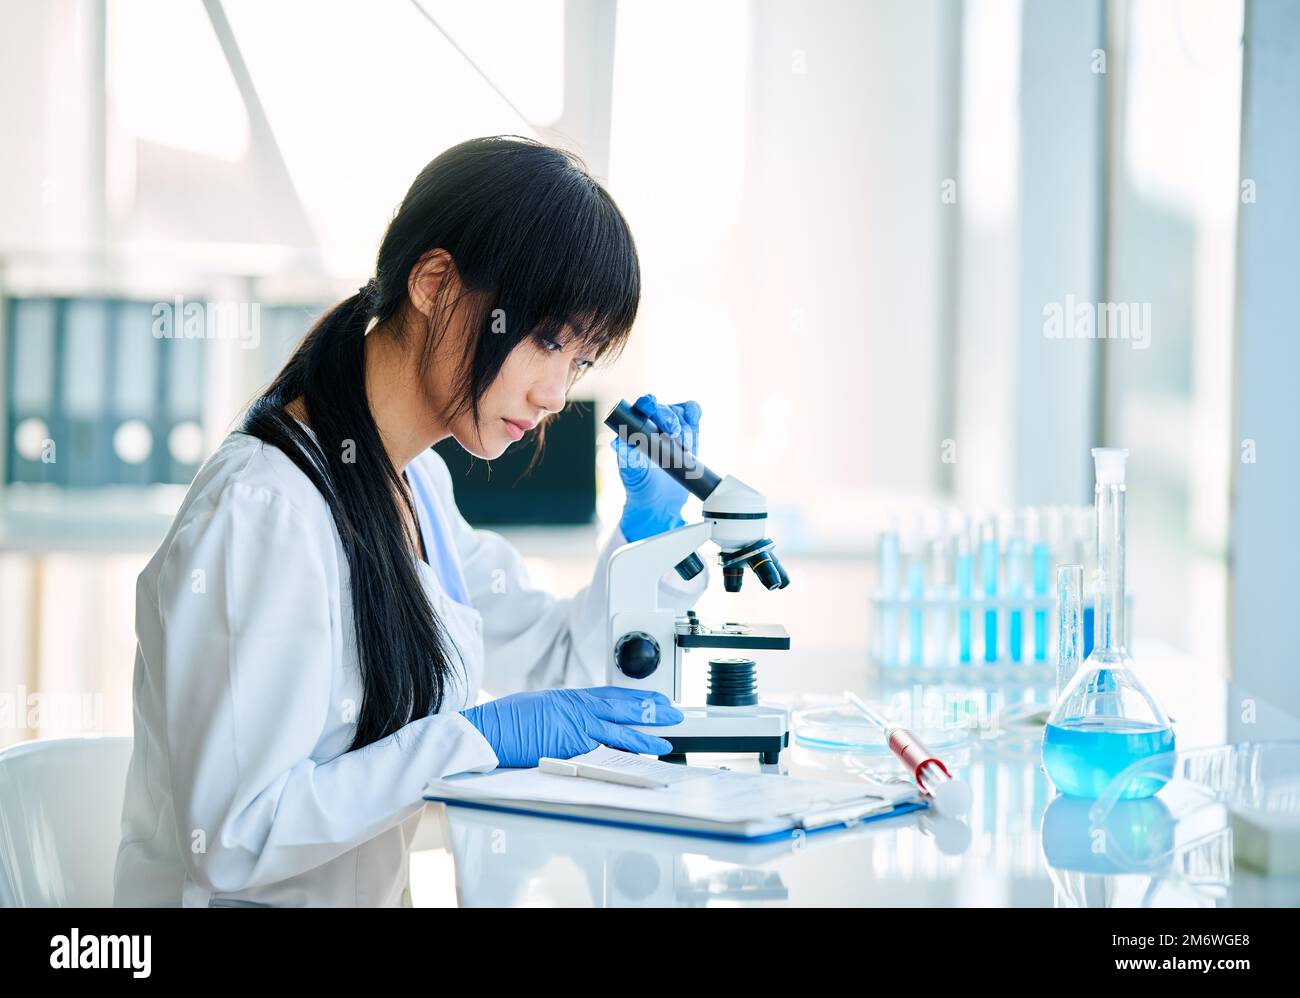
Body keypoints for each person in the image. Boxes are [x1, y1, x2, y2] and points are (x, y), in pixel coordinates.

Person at [113, 136, 707, 907]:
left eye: (583, 360)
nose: (558, 392)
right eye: (547, 340)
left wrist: (645, 540)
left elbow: (563, 675)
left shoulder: (414, 482)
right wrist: (474, 742)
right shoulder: (265, 509)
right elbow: (234, 835)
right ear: (434, 283)